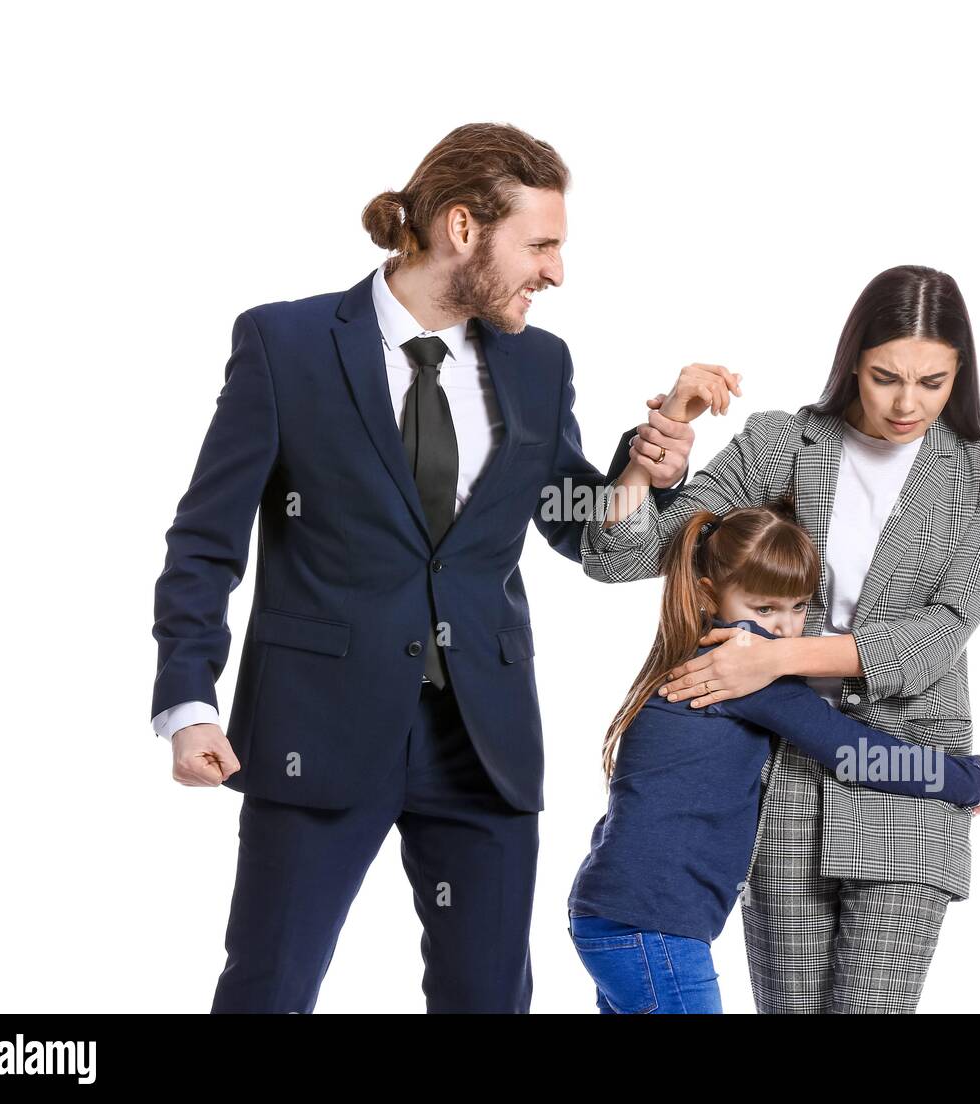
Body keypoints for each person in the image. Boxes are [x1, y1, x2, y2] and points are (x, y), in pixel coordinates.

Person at [149, 121, 741, 1013]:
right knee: (270, 988)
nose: (556, 273)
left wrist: (642, 470)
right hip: (318, 729)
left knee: (487, 999)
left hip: (482, 742)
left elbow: (575, 527)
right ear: (463, 228)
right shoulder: (287, 345)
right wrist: (188, 702)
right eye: (539, 246)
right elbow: (206, 539)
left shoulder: (539, 364)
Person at [581, 265, 980, 1012]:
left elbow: (938, 634)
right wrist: (653, 453)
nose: (907, 403)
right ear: (854, 359)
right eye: (887, 377)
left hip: (906, 771)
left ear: (960, 376)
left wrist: (773, 659)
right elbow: (619, 555)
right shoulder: (783, 443)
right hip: (784, 784)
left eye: (933, 382)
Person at [567, 497, 980, 1013]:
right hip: (652, 924)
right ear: (708, 595)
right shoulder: (741, 666)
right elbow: (851, 750)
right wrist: (961, 780)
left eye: (798, 607)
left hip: (612, 913)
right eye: (764, 608)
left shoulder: (696, 653)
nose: (786, 630)